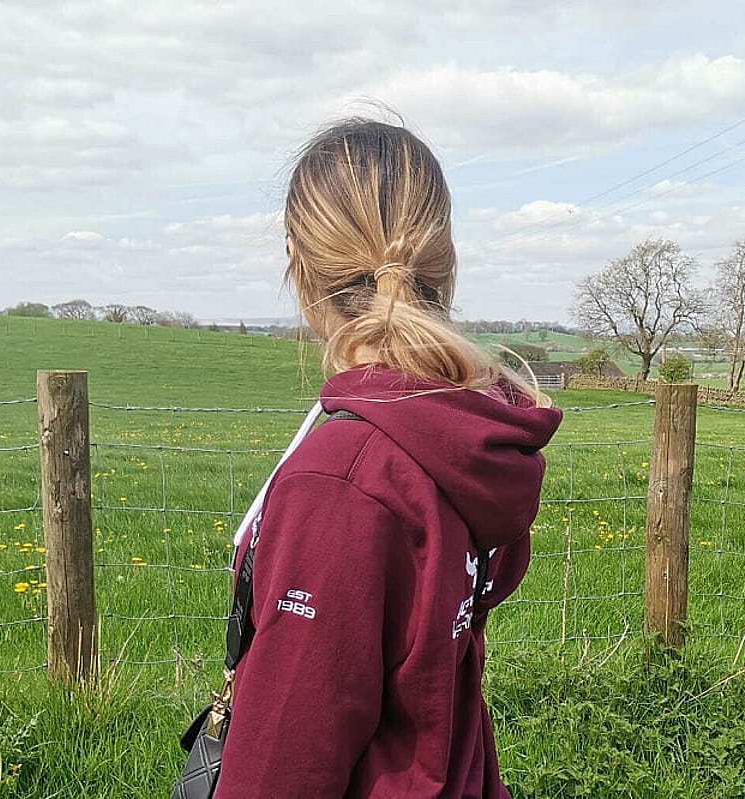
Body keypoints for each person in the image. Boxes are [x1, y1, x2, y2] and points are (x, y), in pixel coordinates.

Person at [213, 118, 562, 798]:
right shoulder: (469, 437)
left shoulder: (343, 477)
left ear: (298, 264)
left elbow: (286, 758)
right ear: (445, 264)